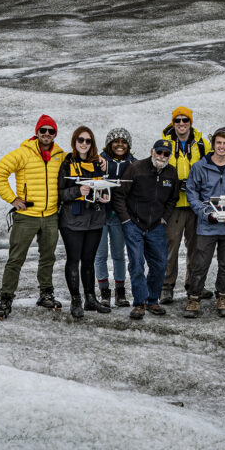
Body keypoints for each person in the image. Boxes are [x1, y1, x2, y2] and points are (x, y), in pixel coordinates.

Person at [0, 114, 65, 320]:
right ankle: (5, 298)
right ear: (37, 132)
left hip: (50, 216)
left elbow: (79, 166)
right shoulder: (23, 153)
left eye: (51, 131)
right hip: (26, 216)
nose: (47, 134)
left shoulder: (60, 155)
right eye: (43, 130)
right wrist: (13, 199)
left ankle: (46, 293)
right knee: (16, 259)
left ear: (55, 134)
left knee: (48, 257)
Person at [113, 139, 179, 320]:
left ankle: (152, 300)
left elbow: (173, 198)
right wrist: (126, 220)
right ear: (152, 151)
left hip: (156, 226)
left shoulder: (172, 173)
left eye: (166, 154)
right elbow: (119, 195)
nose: (162, 156)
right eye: (159, 152)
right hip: (134, 224)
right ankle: (139, 303)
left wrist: (164, 218)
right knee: (136, 264)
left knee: (160, 264)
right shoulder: (136, 168)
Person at [184, 128, 225, 318]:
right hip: (207, 225)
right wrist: (205, 213)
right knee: (200, 263)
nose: (221, 146)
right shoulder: (200, 167)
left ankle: (222, 296)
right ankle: (194, 298)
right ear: (213, 144)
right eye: (218, 143)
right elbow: (192, 192)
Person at [160, 106, 212, 304]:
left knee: (196, 248)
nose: (181, 124)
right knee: (170, 247)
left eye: (185, 120)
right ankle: (166, 287)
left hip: (196, 205)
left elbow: (211, 168)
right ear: (173, 123)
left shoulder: (202, 144)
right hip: (172, 204)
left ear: (191, 122)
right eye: (178, 120)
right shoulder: (165, 144)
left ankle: (194, 285)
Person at [58, 126, 111, 319]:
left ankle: (90, 298)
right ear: (74, 141)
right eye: (81, 140)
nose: (84, 144)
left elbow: (105, 186)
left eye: (88, 141)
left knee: (89, 261)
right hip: (72, 219)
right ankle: (76, 300)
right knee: (74, 260)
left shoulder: (99, 163)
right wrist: (77, 192)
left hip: (95, 219)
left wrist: (105, 197)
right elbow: (61, 192)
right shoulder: (67, 163)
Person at [95, 127, 135, 307]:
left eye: (123, 142)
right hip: (101, 215)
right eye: (116, 142)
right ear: (109, 144)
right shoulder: (99, 160)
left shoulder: (133, 164)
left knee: (119, 254)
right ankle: (104, 292)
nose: (120, 145)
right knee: (100, 254)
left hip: (120, 216)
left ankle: (120, 292)